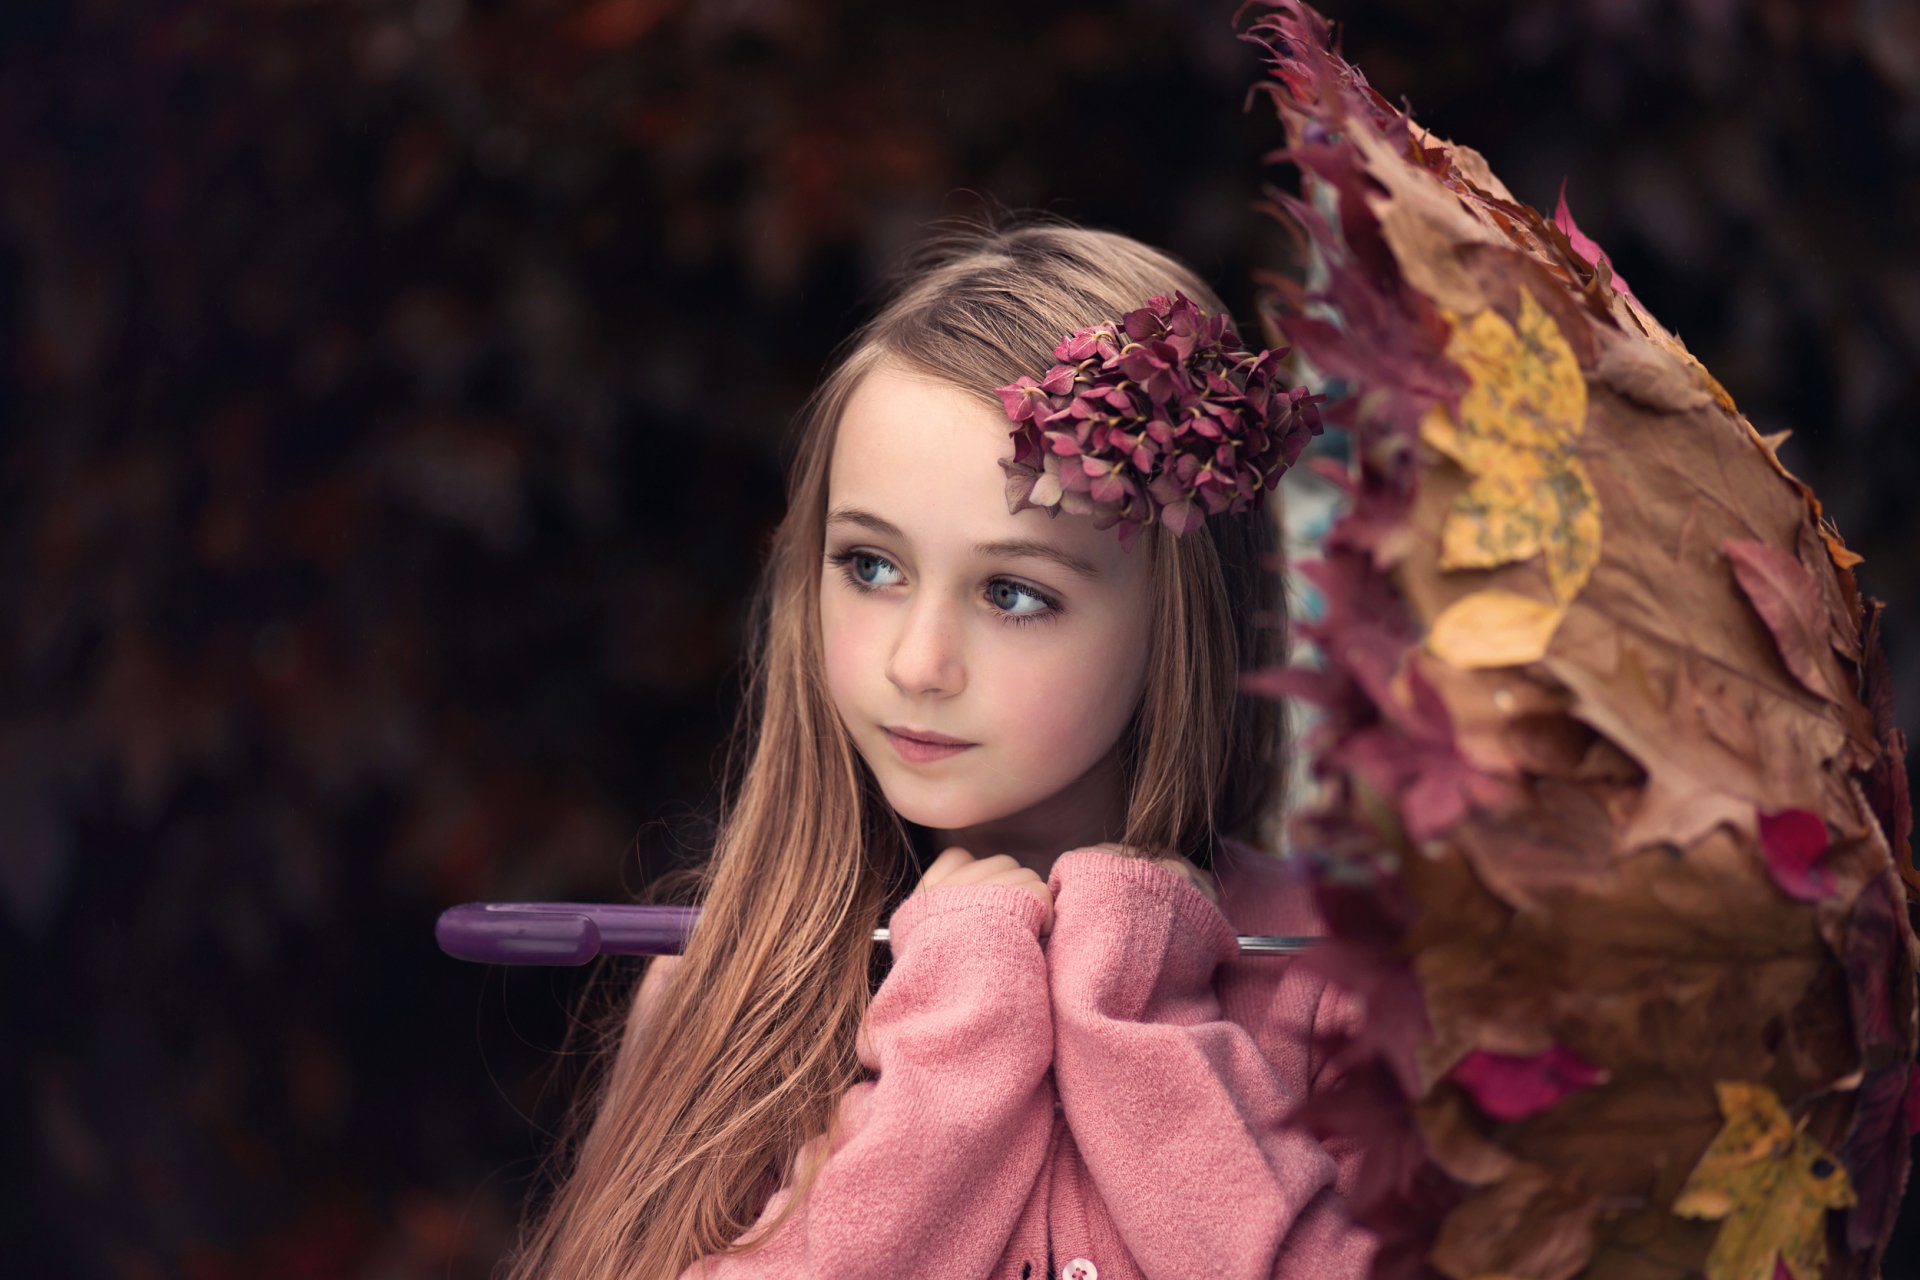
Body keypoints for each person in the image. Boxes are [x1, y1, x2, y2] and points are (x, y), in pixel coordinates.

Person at [501, 218, 1377, 1280]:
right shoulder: (724, 989)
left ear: (1181, 621)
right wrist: (960, 1032)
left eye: (1013, 592)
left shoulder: (1341, 981)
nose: (917, 662)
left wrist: (1142, 1021)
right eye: (870, 567)